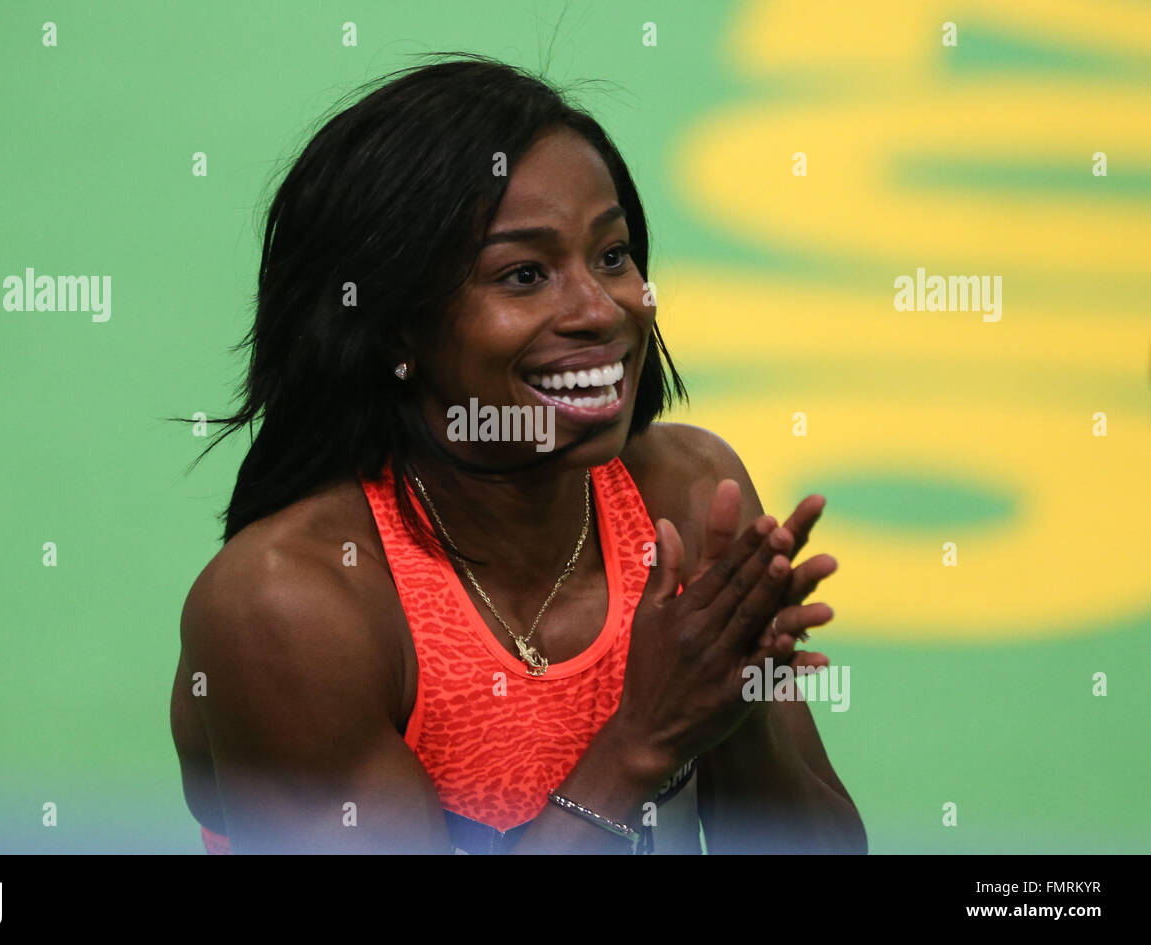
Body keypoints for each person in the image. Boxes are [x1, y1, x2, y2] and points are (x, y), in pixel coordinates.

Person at [169, 53, 866, 854]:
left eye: (611, 255)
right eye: (525, 274)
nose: (600, 308)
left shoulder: (688, 493)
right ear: (397, 331)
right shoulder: (292, 609)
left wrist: (731, 707)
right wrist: (645, 740)